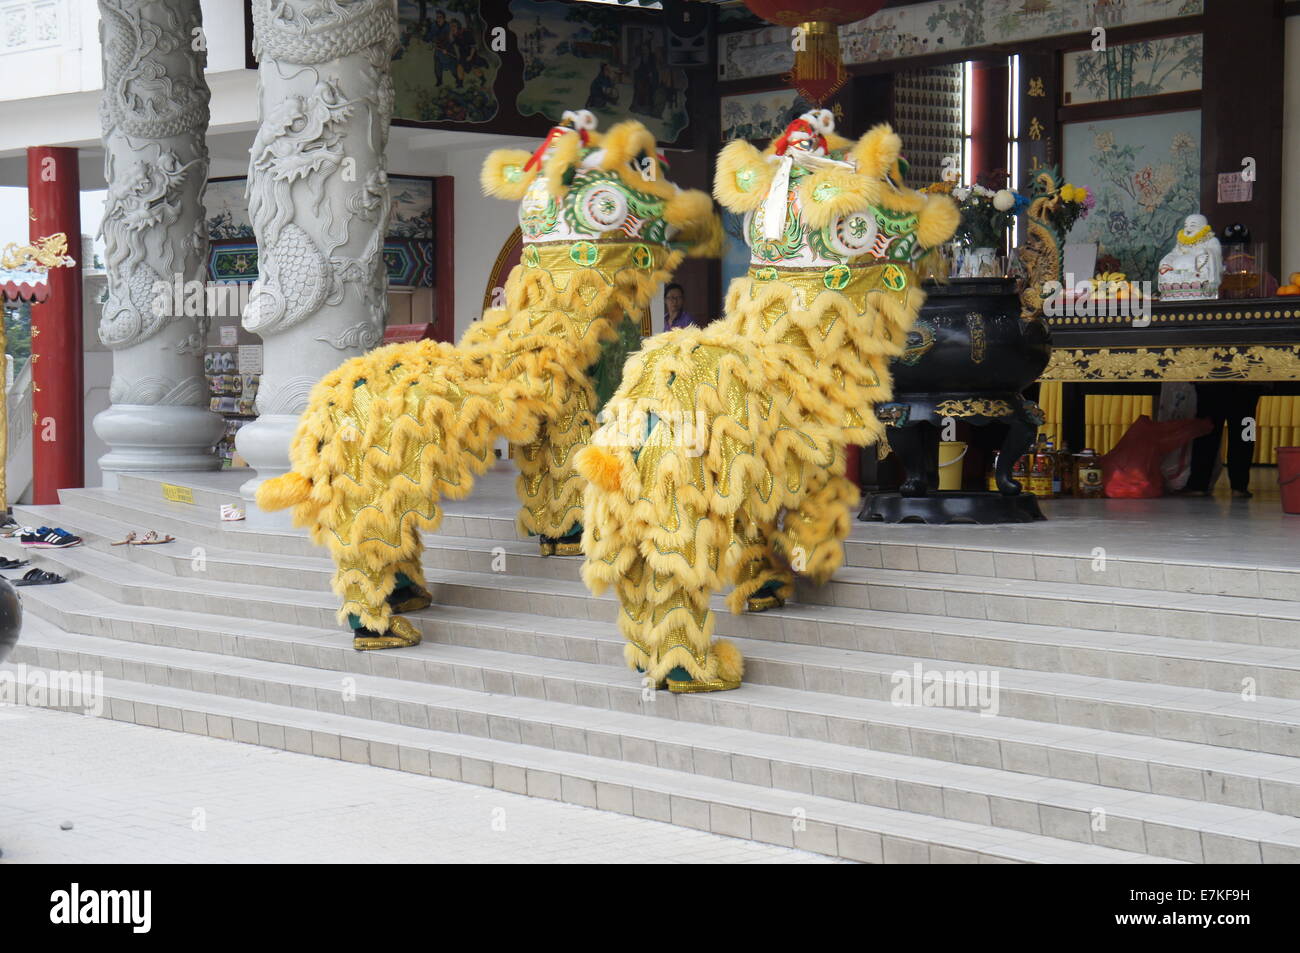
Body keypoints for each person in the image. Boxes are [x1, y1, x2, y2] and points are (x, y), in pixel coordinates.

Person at [1184, 383, 1262, 498]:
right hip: (1246, 382)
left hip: (1212, 379)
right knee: (1244, 437)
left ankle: (1198, 485)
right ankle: (1240, 487)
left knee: (1206, 433)